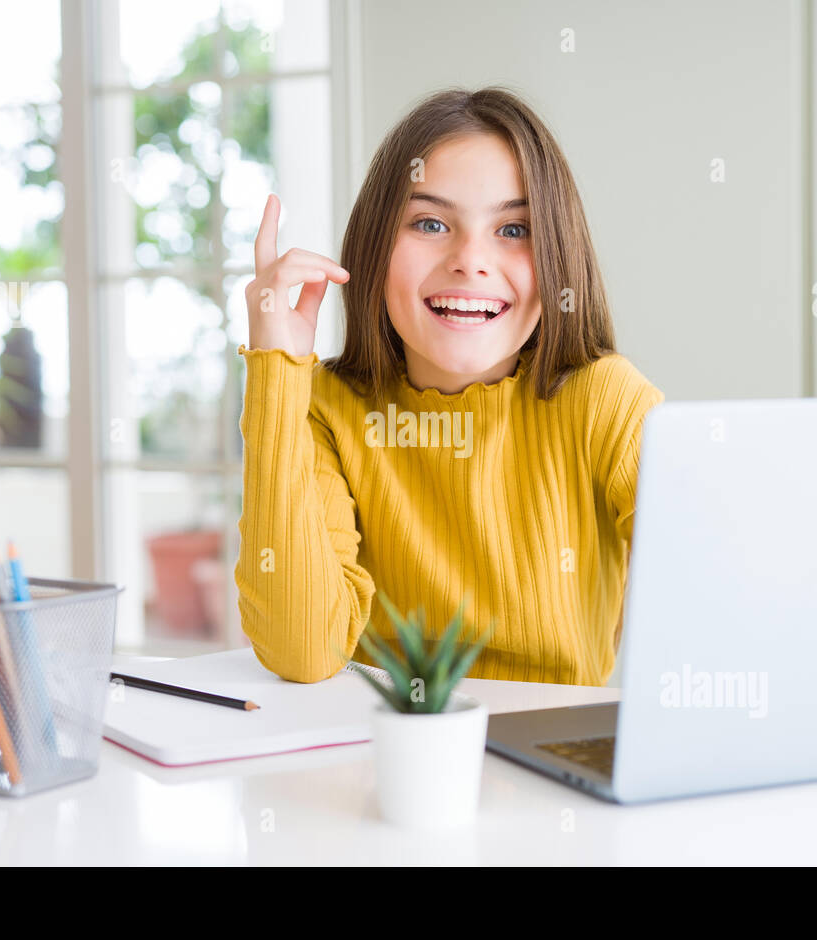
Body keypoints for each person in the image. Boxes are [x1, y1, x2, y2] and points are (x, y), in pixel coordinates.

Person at [235, 86, 664, 686]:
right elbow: (302, 650)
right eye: (431, 222)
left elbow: (718, 593)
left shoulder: (605, 401)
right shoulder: (322, 407)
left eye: (514, 229)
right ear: (375, 242)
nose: (470, 260)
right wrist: (276, 365)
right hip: (378, 751)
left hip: (546, 763)